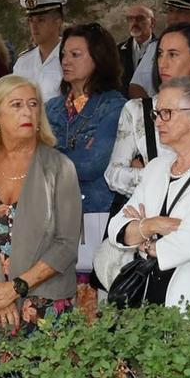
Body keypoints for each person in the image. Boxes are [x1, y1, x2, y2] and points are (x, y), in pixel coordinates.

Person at [0, 74, 82, 333]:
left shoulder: (59, 167)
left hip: (45, 307)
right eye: (16, 105)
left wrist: (14, 289)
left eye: (33, 105)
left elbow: (66, 245)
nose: (27, 112)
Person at [101, 77, 190, 308]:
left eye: (167, 113)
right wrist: (153, 225)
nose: (158, 122)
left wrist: (143, 239)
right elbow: (117, 228)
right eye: (156, 114)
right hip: (149, 307)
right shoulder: (156, 168)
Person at [106, 22, 190, 210]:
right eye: (160, 54)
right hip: (140, 219)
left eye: (173, 55)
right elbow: (113, 175)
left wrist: (145, 171)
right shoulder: (136, 110)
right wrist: (156, 175)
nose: (163, 63)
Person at [46, 22, 127, 276]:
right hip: (53, 215)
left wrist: (49, 157)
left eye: (75, 54)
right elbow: (32, 159)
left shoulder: (115, 106)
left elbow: (93, 163)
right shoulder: (51, 108)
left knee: (93, 298)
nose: (65, 61)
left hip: (96, 215)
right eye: (63, 54)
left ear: (98, 58)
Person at [14, 0, 69, 102]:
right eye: (31, 20)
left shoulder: (70, 58)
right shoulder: (23, 62)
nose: (34, 27)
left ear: (57, 22)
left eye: (41, 20)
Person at [117, 4, 159, 98]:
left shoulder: (161, 50)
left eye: (140, 18)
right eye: (130, 19)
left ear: (152, 22)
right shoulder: (117, 51)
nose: (134, 23)